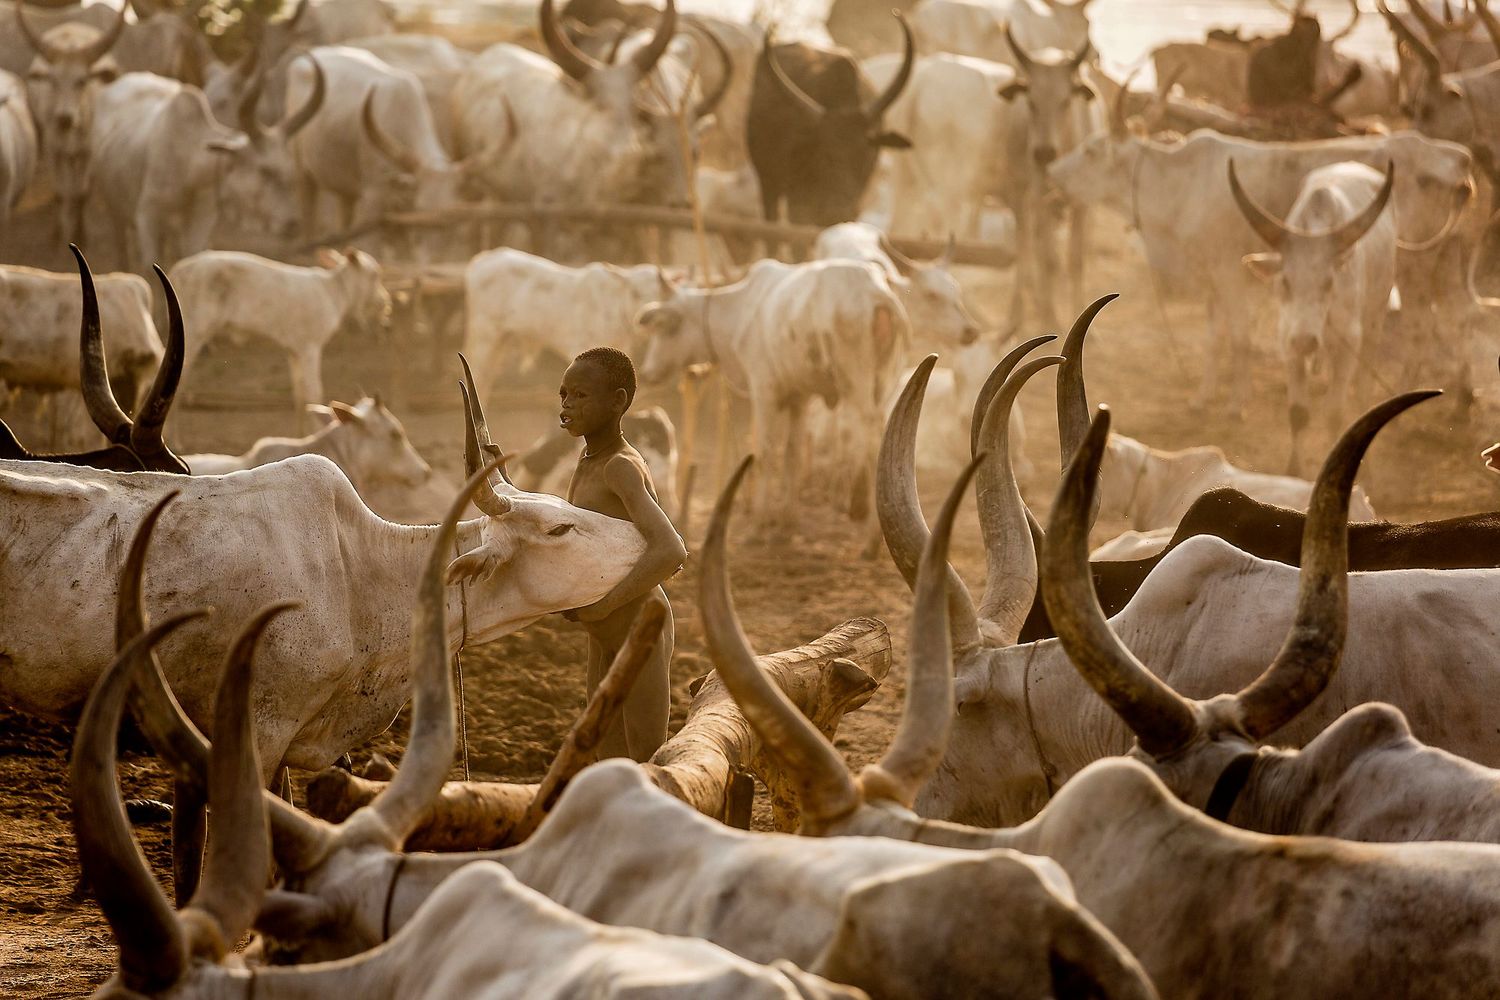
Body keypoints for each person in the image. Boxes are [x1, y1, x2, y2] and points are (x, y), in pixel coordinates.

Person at [558, 346, 686, 761]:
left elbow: (671, 550)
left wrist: (603, 605)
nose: (567, 405)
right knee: (605, 755)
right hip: (605, 634)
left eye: (580, 395)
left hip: (639, 628)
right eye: (564, 394)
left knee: (647, 757)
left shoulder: (619, 467)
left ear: (618, 402)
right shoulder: (588, 460)